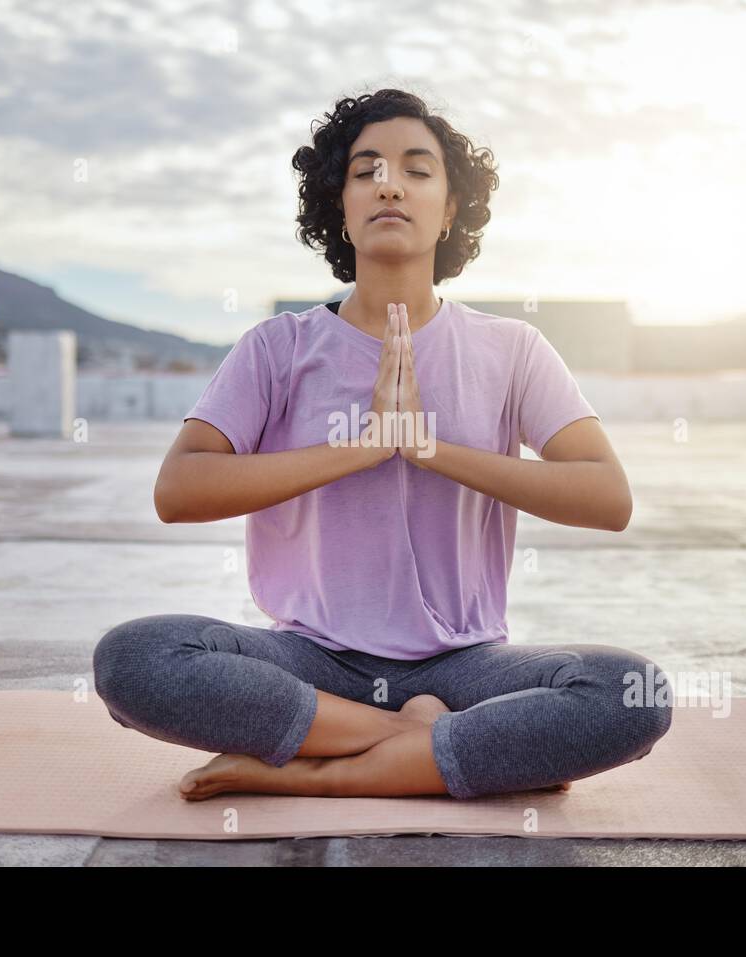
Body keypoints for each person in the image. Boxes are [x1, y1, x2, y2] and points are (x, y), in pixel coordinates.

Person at [93, 88, 673, 801]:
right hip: (309, 662)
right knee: (135, 659)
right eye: (365, 170)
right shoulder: (278, 348)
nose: (389, 184)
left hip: (462, 669)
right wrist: (363, 448)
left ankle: (320, 771)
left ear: (452, 207)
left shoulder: (512, 349)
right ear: (339, 204)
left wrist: (431, 450)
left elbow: (607, 498)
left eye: (417, 169)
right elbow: (178, 491)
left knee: (630, 693)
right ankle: (422, 745)